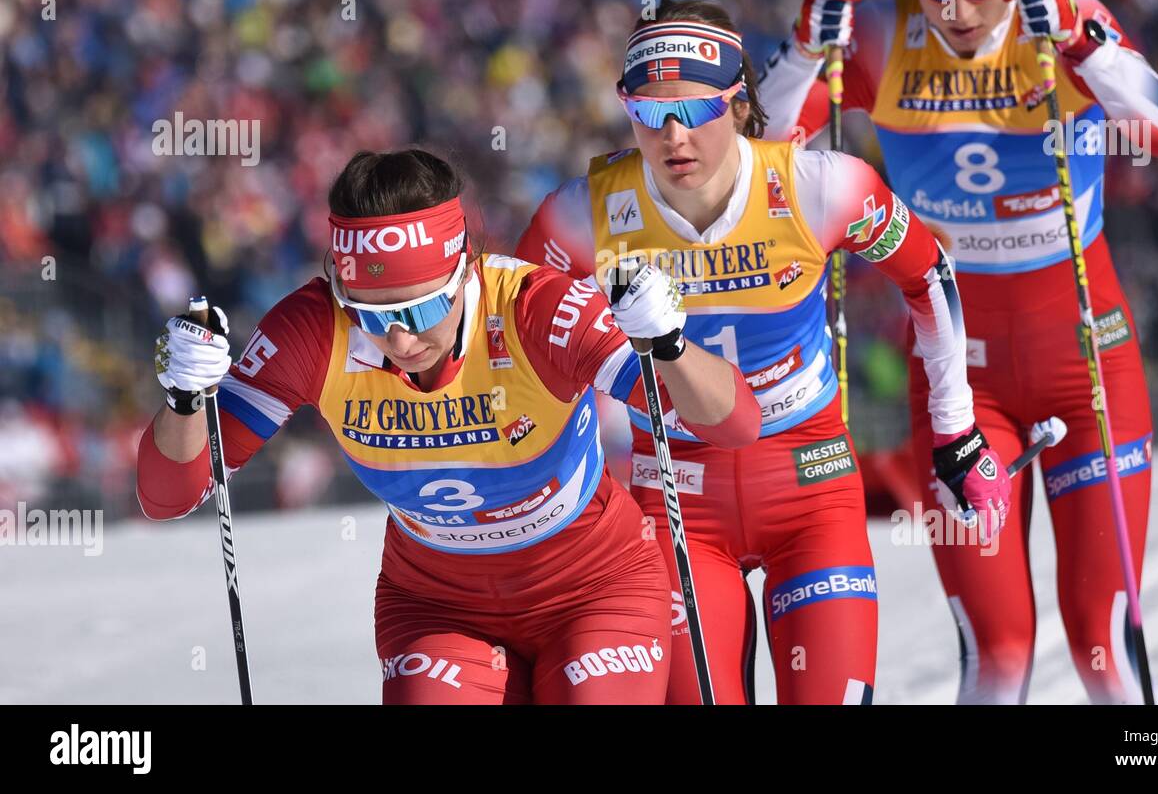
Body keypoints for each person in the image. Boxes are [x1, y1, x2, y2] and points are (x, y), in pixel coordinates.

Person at [757, 0, 1158, 703]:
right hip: (960, 380)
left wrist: (1078, 42)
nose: (953, 8)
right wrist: (802, 52)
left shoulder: (1055, 13)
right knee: (996, 649)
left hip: (1085, 355)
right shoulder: (881, 36)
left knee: (1101, 637)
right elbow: (767, 153)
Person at [138, 148, 760, 705]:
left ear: (467, 270)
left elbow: (733, 425)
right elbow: (172, 495)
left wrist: (670, 345)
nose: (400, 338)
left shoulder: (534, 309)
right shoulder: (311, 331)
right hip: (437, 604)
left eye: (424, 307)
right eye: (371, 314)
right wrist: (187, 402)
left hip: (593, 589)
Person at [516, 0, 1006, 704]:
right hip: (676, 497)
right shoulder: (584, 212)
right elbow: (523, 345)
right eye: (650, 114)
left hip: (810, 487)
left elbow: (929, 275)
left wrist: (956, 431)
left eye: (697, 111)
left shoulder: (819, 186)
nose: (674, 136)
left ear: (740, 105)